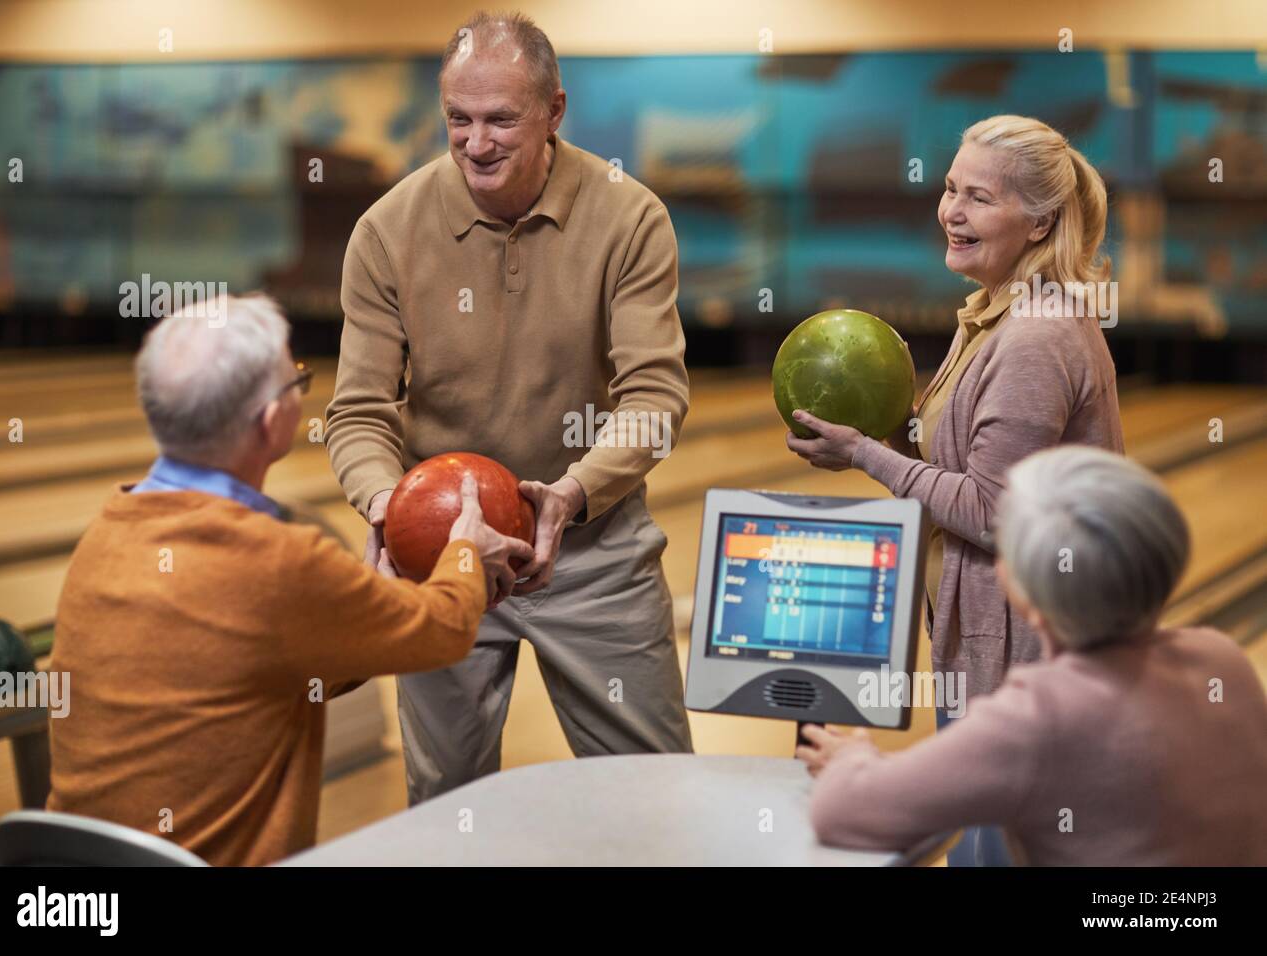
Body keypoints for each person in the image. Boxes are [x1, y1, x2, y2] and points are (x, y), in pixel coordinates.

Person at [325, 12, 693, 804]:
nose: (476, 143)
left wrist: (572, 493)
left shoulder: (629, 217)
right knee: (443, 800)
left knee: (653, 791)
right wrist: (393, 507)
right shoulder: (388, 231)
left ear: (554, 111)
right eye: (458, 119)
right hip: (443, 556)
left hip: (594, 551)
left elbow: (655, 396)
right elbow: (357, 411)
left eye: (501, 120)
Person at [47, 294, 531, 866]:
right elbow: (443, 631)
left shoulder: (105, 533)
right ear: (271, 420)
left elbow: (260, 665)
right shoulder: (281, 560)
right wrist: (466, 552)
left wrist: (369, 610)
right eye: (295, 383)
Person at [785, 115, 1125, 864]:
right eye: (949, 189)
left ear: (1038, 224)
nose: (952, 210)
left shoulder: (1035, 336)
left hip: (1023, 653)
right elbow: (967, 456)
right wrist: (873, 436)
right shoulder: (996, 315)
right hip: (992, 643)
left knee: (996, 850)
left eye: (980, 197)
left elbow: (994, 510)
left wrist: (866, 453)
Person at [799, 446, 1267, 866]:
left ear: (1019, 588)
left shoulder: (1037, 717)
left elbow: (843, 812)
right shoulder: (1222, 661)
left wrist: (851, 758)